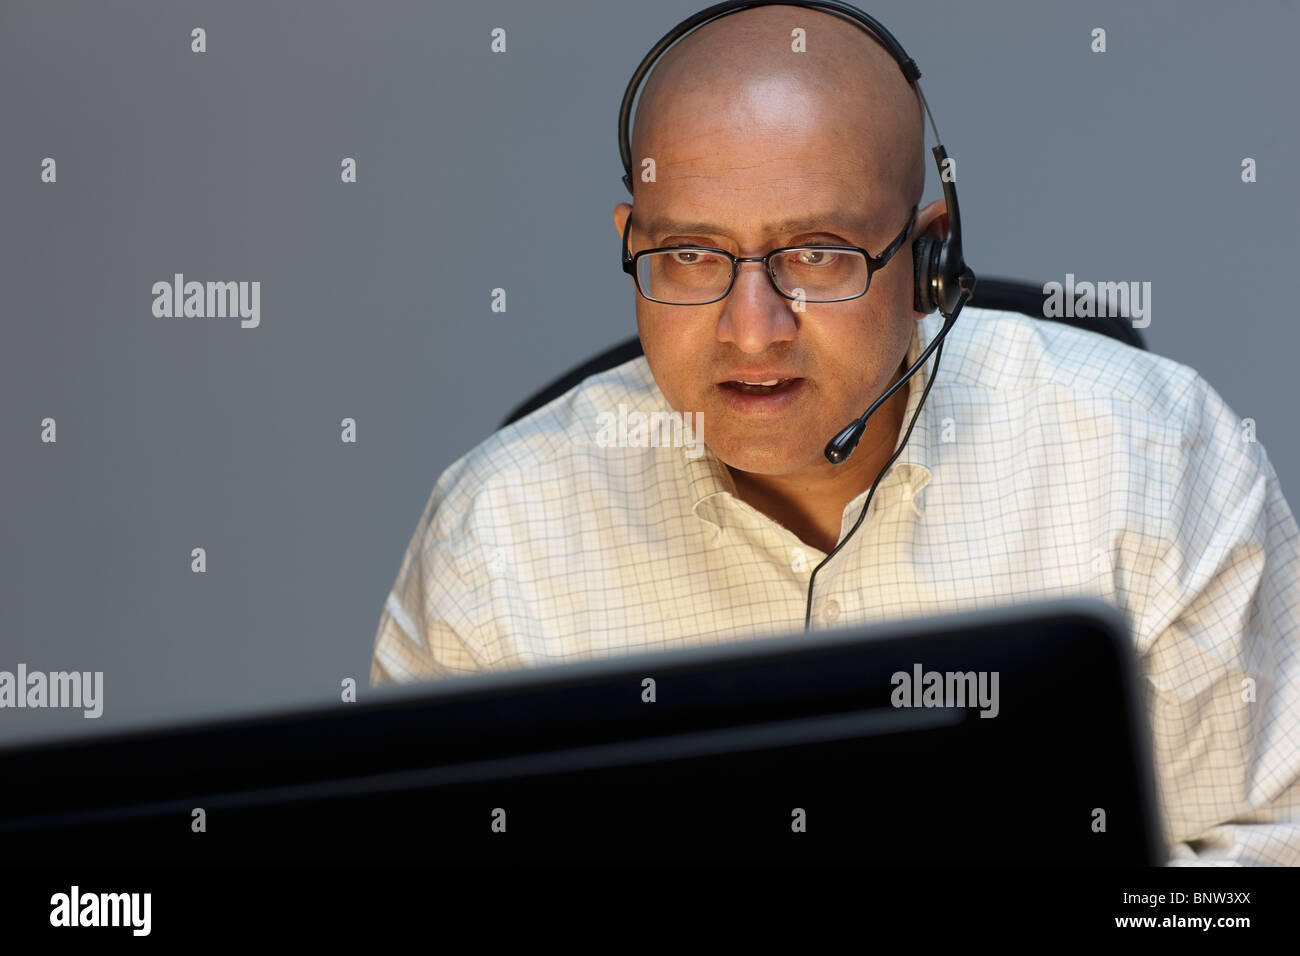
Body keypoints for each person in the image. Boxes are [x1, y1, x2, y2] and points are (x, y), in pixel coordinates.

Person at [369, 4, 1300, 865]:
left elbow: (1266, 859)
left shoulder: (1151, 453)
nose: (751, 329)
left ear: (930, 259)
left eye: (817, 254)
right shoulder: (497, 531)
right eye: (689, 255)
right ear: (631, 242)